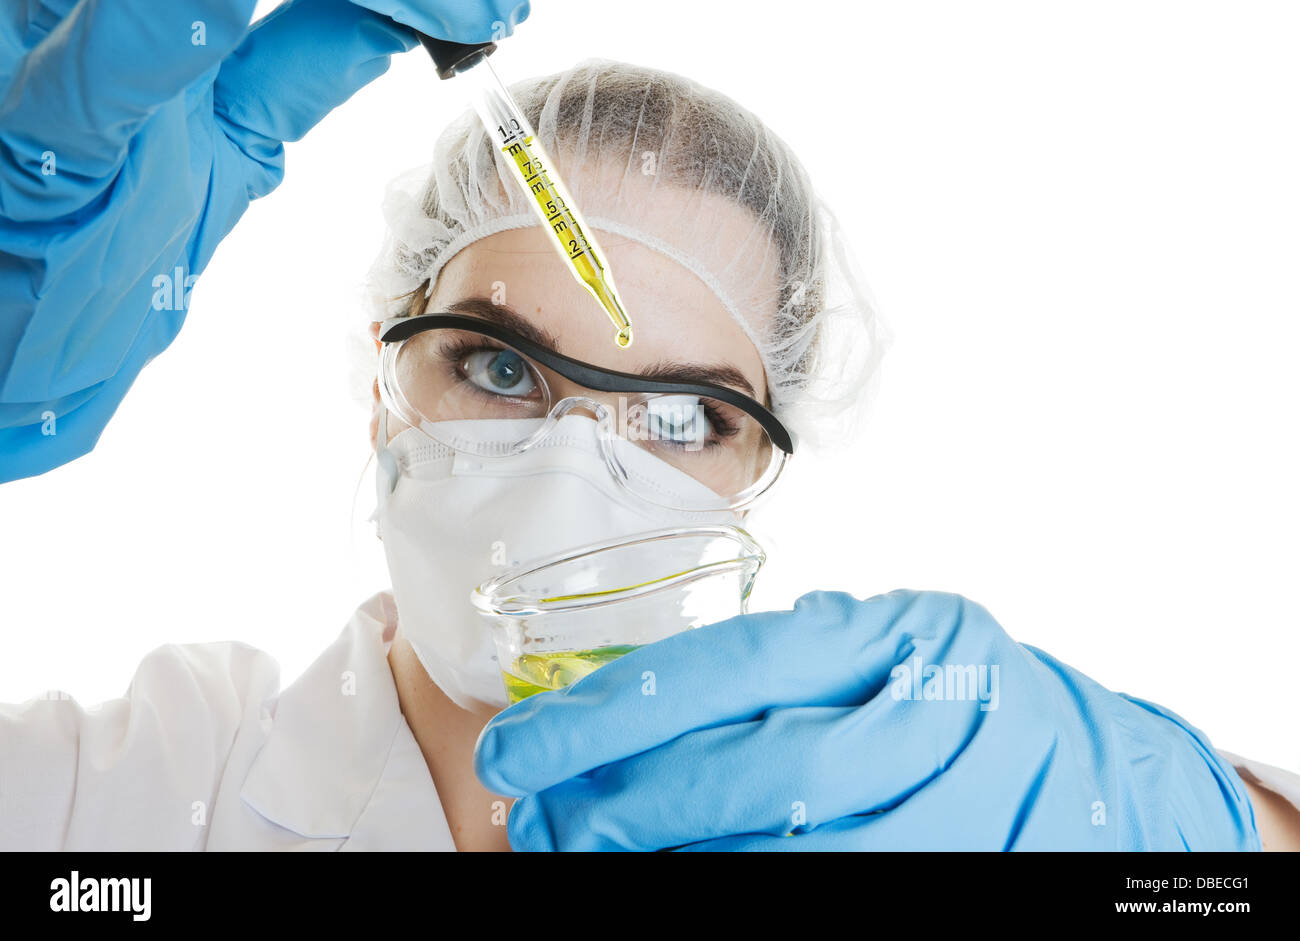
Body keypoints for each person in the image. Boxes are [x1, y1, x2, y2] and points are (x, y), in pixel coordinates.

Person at [1, 1, 1297, 852]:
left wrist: (1202, 831)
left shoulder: (885, 801)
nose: (573, 467)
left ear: (755, 467)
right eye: (502, 367)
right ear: (386, 379)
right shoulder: (123, 800)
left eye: (678, 412)